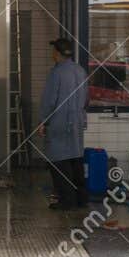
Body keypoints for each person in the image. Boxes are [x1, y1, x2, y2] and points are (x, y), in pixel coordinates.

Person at [39, 36, 90, 209]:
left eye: (54, 50)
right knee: (76, 160)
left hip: (59, 123)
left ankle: (67, 201)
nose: (52, 54)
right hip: (76, 122)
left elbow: (50, 101)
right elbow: (85, 99)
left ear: (58, 53)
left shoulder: (57, 73)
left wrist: (43, 121)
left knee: (59, 162)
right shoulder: (80, 71)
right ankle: (81, 199)